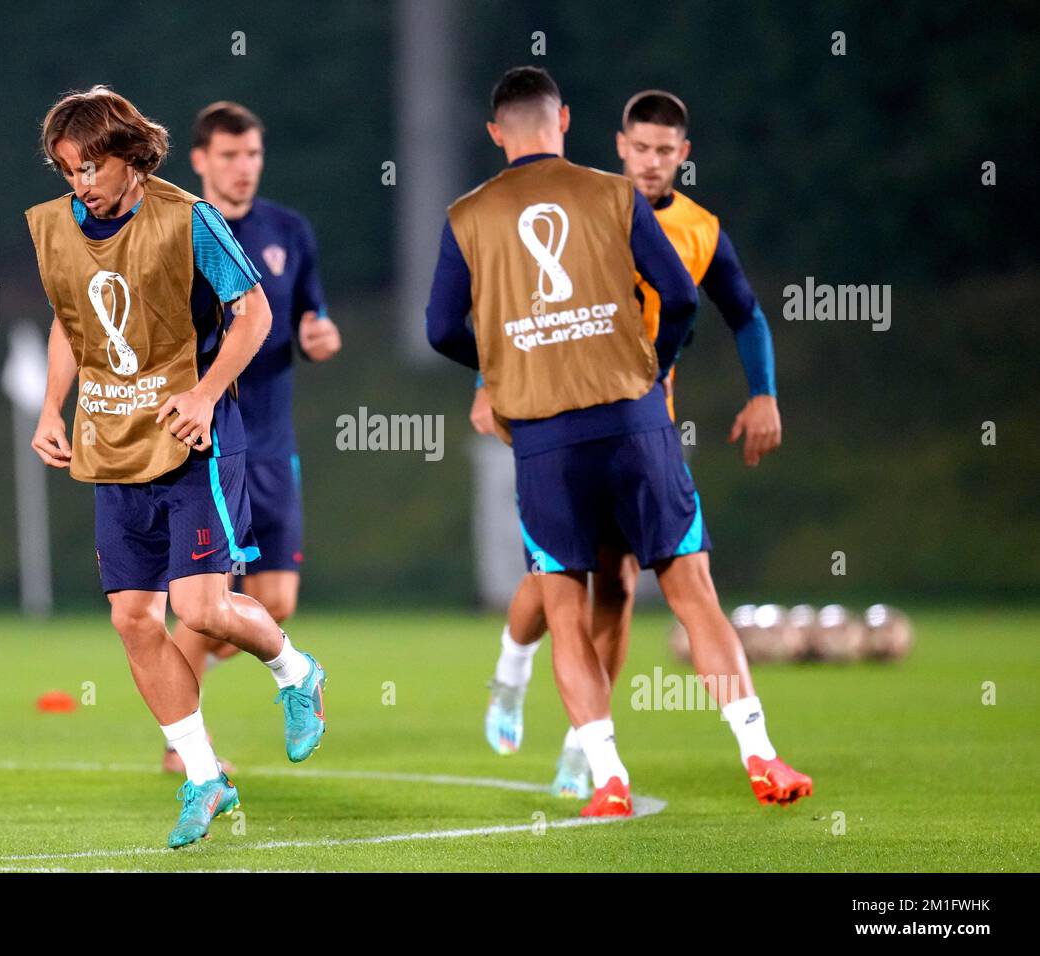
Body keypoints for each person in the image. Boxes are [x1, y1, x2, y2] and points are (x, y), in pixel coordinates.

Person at [425, 67, 811, 816]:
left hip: (544, 435)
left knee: (567, 605)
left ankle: (606, 775)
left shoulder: (466, 214)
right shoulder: (613, 193)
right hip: (637, 423)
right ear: (565, 120)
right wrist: (650, 365)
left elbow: (441, 329)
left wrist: (503, 366)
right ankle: (759, 752)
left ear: (496, 133)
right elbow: (680, 296)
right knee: (692, 594)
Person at [24, 86, 328, 849]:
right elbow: (70, 323)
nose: (80, 182)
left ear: (132, 154)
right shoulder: (59, 229)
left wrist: (204, 394)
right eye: (67, 170)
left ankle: (296, 673)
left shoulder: (188, 217)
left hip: (196, 442)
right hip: (111, 445)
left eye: (92, 165)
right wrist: (51, 408)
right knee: (133, 619)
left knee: (199, 608)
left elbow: (255, 313)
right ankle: (203, 775)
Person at [163, 101, 341, 774]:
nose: (244, 168)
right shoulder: (183, 231)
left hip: (272, 439)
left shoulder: (289, 232)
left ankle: (235, 654)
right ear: (202, 160)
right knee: (201, 600)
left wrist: (321, 337)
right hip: (208, 437)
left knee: (272, 602)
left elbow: (310, 318)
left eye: (254, 155)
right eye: (230, 156)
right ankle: (184, 744)